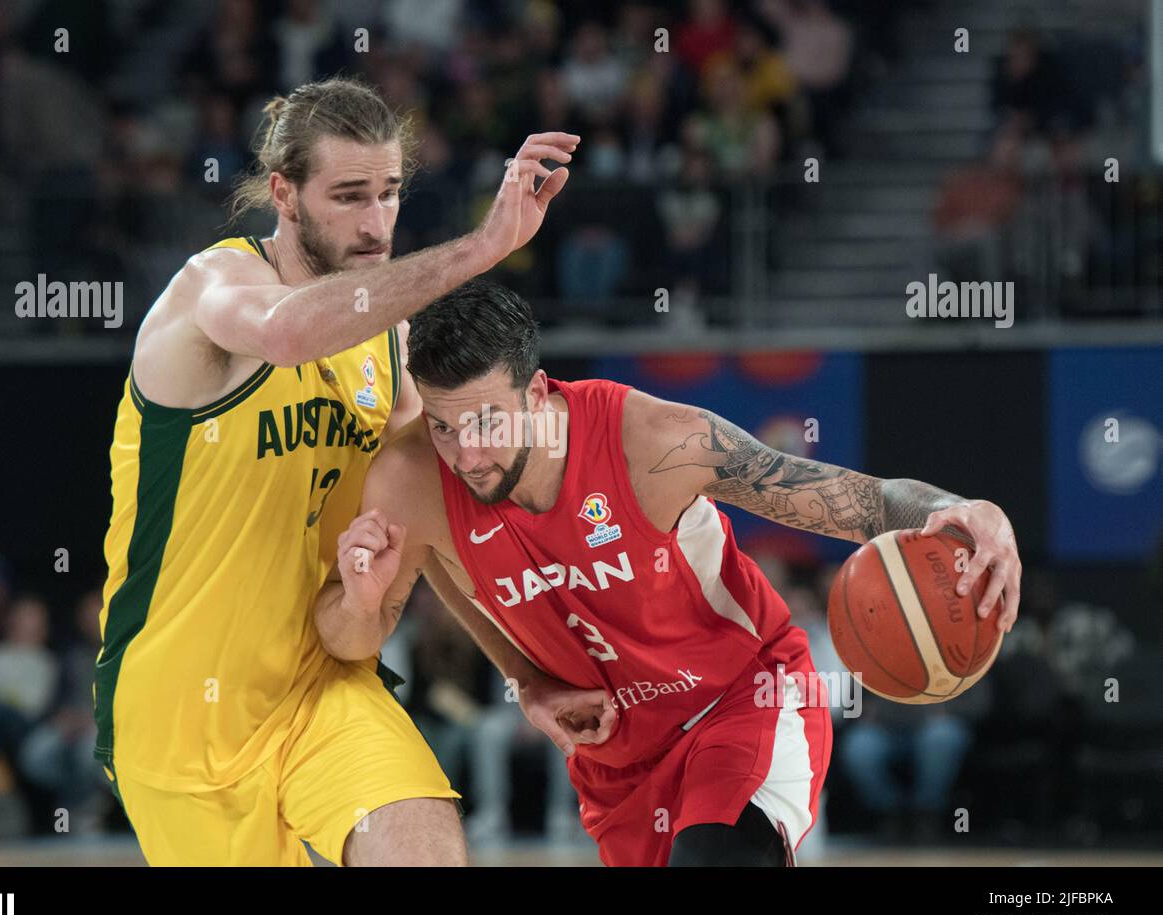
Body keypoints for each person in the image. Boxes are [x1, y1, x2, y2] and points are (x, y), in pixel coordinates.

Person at [314, 279, 1023, 866]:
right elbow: (382, 616)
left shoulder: (650, 441)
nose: (466, 455)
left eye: (486, 424)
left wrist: (965, 509)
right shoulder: (409, 479)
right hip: (615, 757)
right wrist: (506, 669)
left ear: (535, 394)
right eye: (444, 427)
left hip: (742, 700)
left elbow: (862, 502)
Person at [95, 76, 587, 866]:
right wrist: (480, 248)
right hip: (183, 706)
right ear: (284, 193)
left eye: (389, 193)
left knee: (422, 840)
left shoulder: (387, 345)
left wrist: (524, 674)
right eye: (350, 195)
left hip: (324, 679)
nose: (376, 222)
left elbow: (416, 520)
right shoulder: (210, 290)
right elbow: (289, 332)